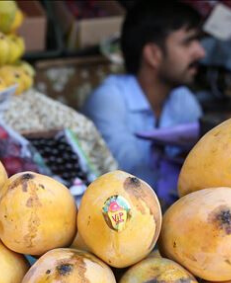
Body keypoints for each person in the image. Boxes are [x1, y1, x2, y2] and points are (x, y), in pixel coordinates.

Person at [83, 1, 206, 197]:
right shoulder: (108, 101)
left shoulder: (184, 100)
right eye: (188, 42)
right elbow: (129, 177)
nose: (201, 52)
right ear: (153, 55)